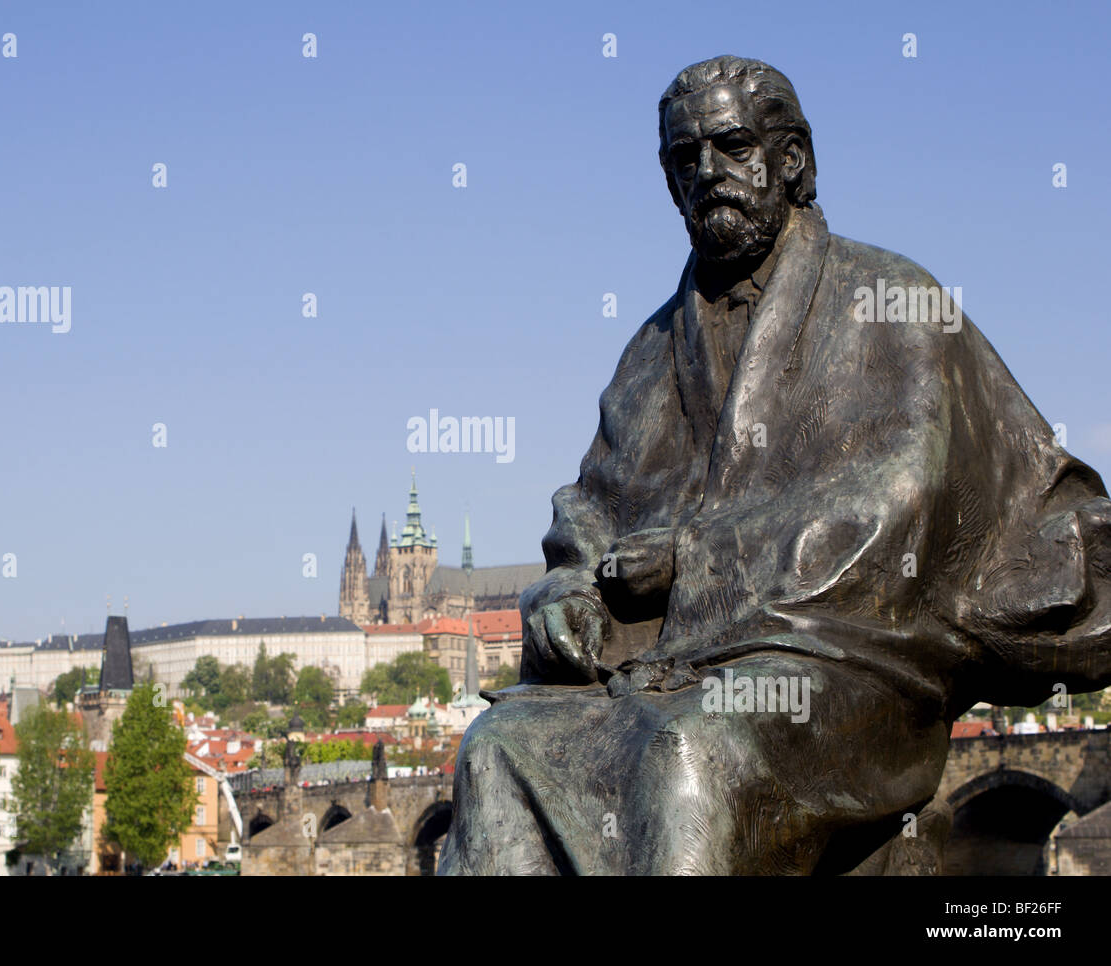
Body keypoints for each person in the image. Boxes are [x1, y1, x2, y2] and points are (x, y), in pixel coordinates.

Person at [439, 55, 1111, 875]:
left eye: (731, 147)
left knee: (693, 754)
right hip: (662, 673)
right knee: (497, 747)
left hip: (839, 662)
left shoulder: (893, 299)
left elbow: (901, 497)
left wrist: (696, 559)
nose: (707, 174)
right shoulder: (649, 354)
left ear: (791, 161)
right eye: (685, 160)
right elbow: (590, 514)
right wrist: (567, 594)